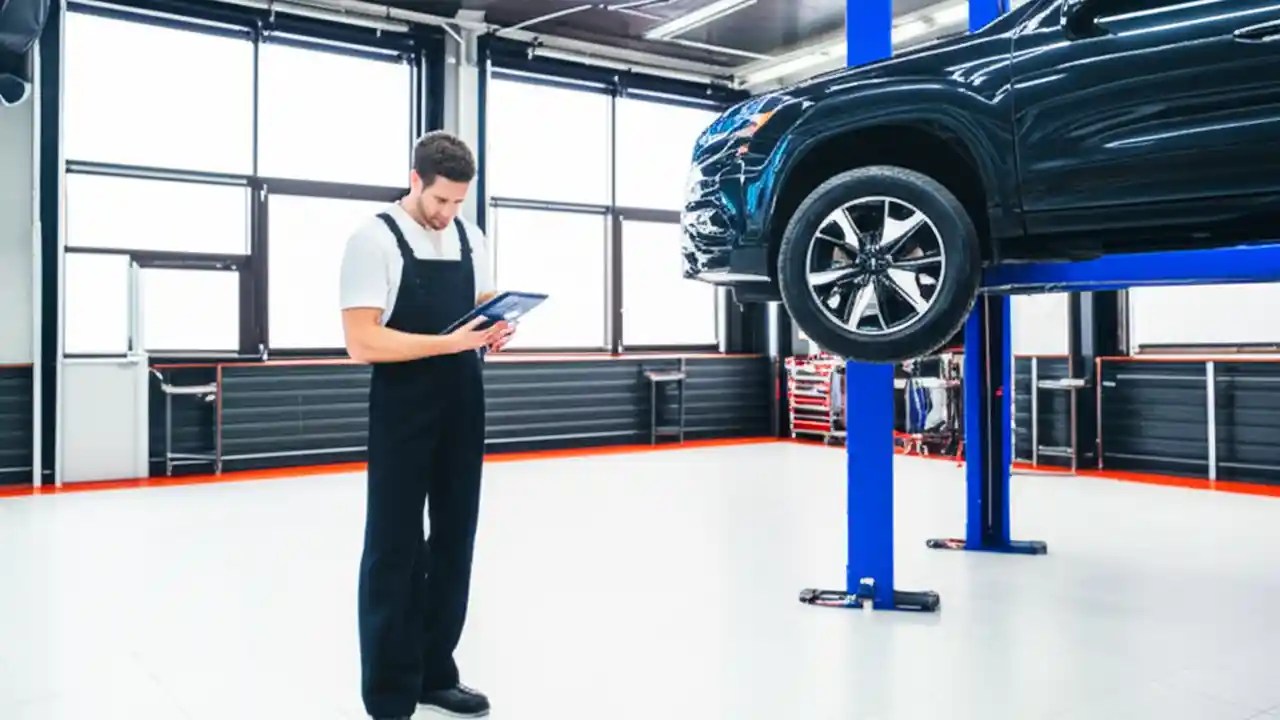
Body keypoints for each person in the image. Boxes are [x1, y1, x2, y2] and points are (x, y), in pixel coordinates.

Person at [339, 130, 513, 720]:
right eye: (441, 201)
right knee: (394, 545)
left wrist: (496, 326)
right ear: (416, 181)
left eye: (459, 202)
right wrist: (447, 344)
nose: (448, 214)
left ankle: (436, 671)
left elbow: (483, 300)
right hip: (403, 402)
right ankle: (389, 692)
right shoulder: (373, 239)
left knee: (455, 539)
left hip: (464, 398)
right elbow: (362, 341)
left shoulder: (471, 235)